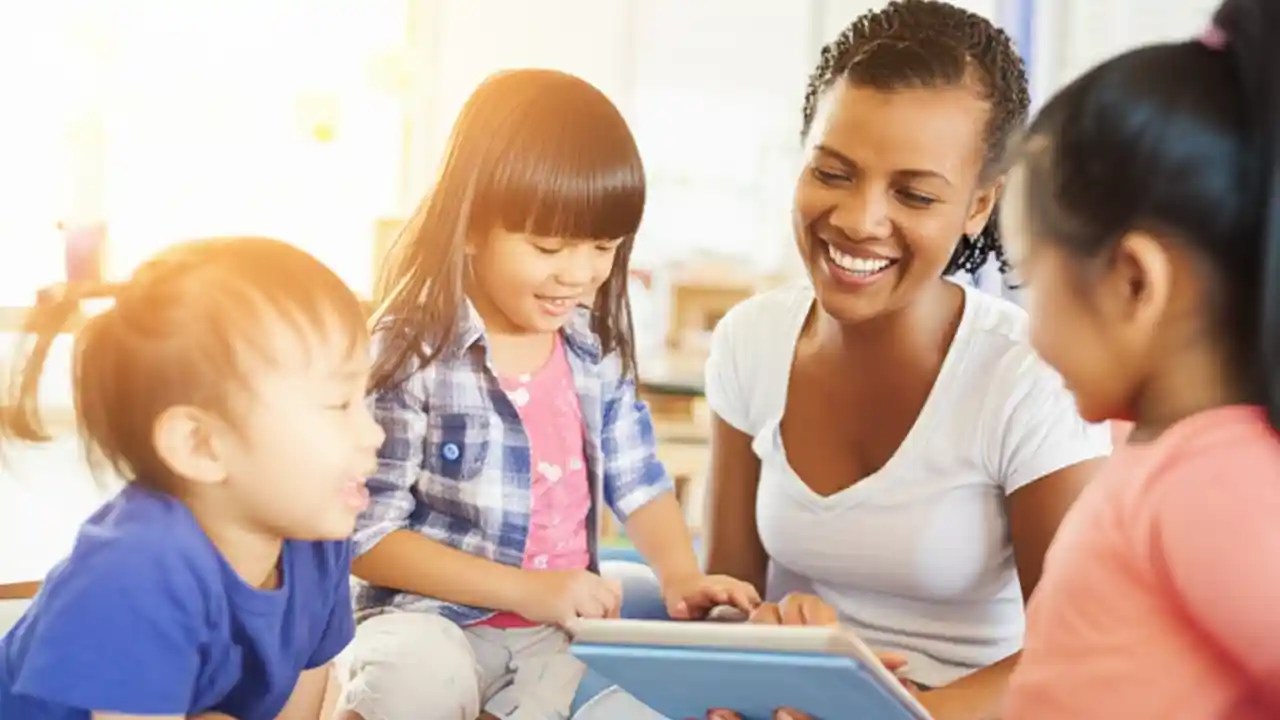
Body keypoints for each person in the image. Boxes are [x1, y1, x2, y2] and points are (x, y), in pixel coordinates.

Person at [703, 2, 1111, 718]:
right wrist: (755, 636)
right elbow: (726, 600)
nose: (858, 220)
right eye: (832, 173)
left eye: (914, 194)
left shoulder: (1028, 377)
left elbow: (1080, 649)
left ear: (980, 205)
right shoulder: (749, 341)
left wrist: (898, 712)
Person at [337, 68, 757, 720]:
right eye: (549, 246)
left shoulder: (592, 349)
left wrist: (682, 577)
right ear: (470, 227)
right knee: (415, 679)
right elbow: (366, 537)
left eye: (603, 247)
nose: (580, 274)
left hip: (552, 636)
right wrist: (528, 589)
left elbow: (640, 482)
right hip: (428, 620)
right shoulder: (410, 350)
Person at [999, 0, 1280, 716]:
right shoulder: (1166, 457)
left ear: (1133, 284)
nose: (1030, 330)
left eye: (1029, 280)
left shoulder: (1210, 481)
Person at [0, 237, 384, 720]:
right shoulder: (136, 570)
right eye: (339, 404)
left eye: (364, 398)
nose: (374, 434)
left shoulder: (316, 538)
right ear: (201, 445)